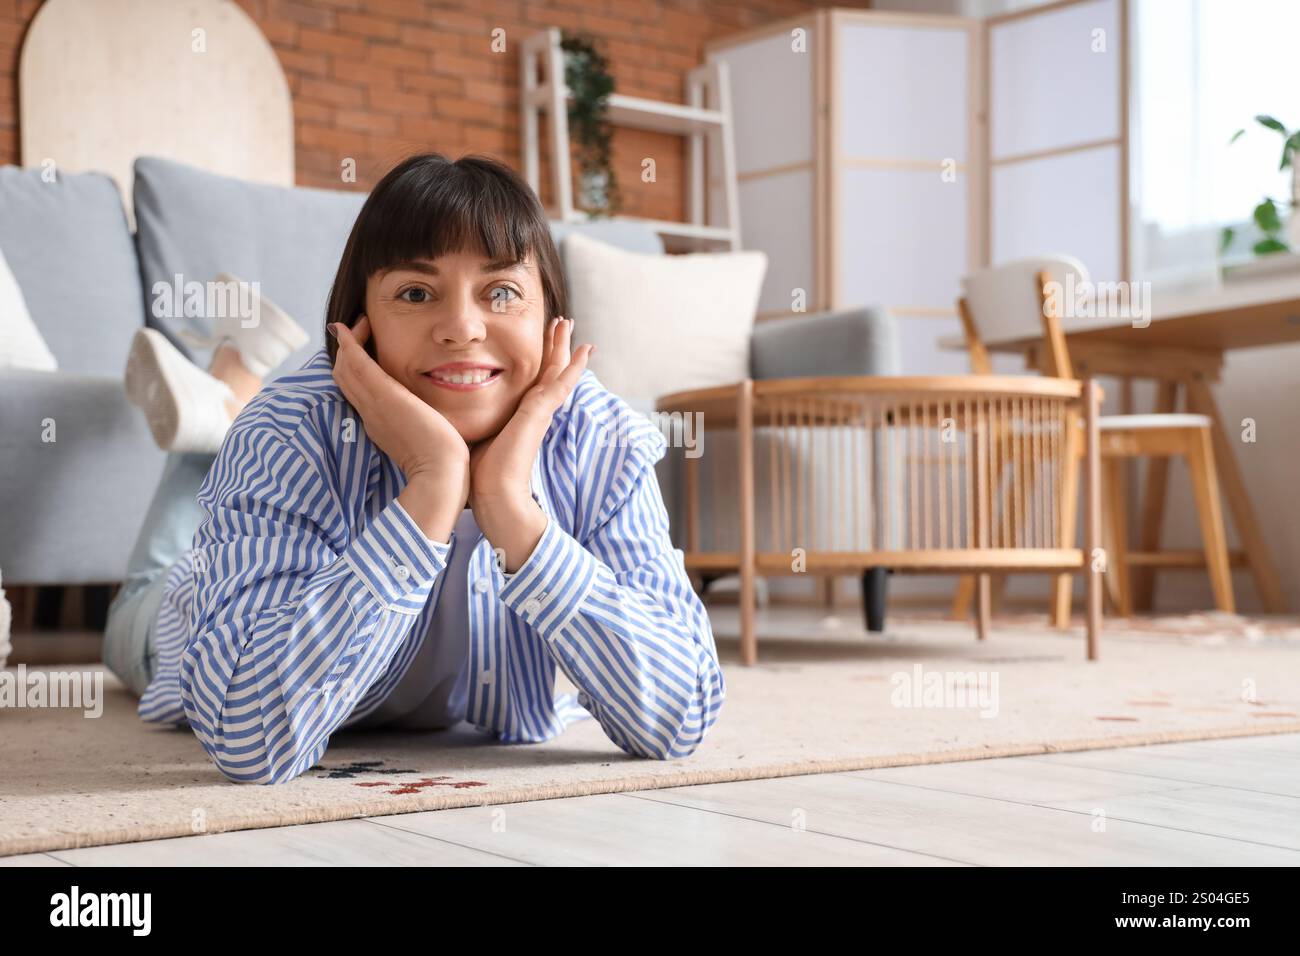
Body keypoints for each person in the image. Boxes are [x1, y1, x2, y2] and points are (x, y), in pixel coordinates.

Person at [103, 153, 726, 785]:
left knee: (225, 426)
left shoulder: (600, 438)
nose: (461, 328)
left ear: (552, 324)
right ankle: (222, 400)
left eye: (503, 291)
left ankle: (225, 384)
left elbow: (683, 718)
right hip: (170, 618)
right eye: (416, 293)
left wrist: (513, 512)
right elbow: (249, 738)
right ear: (360, 325)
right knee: (155, 568)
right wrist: (431, 486)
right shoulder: (289, 430)